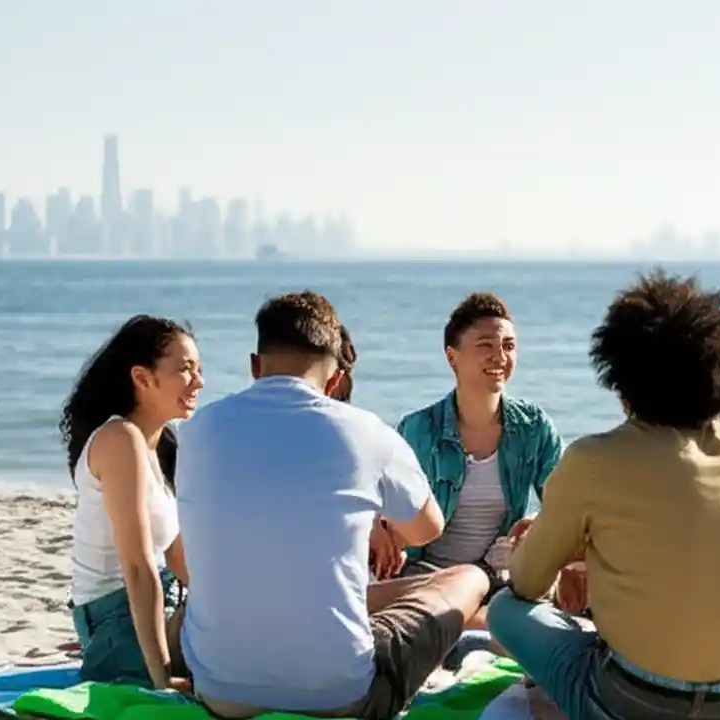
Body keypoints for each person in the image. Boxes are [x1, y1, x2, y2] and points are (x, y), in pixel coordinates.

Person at [176, 291, 493, 720]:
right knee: (468, 577)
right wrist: (381, 520)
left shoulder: (196, 432)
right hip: (340, 697)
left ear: (255, 366)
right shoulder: (364, 431)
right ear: (333, 382)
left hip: (221, 694)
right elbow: (427, 529)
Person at [488, 269, 720, 720]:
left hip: (637, 702)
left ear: (622, 377)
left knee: (505, 610)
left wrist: (556, 543)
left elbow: (527, 583)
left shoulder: (594, 459)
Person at [58, 314, 203, 689]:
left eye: (199, 370)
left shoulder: (162, 446)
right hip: (117, 621)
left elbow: (178, 558)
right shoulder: (118, 439)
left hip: (156, 608)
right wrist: (162, 678)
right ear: (142, 378)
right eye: (185, 370)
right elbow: (138, 567)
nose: (198, 382)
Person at [387, 292, 563, 589]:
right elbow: (387, 513)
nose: (500, 357)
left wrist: (537, 522)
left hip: (497, 578)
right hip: (423, 578)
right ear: (452, 356)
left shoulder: (533, 427)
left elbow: (567, 503)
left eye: (508, 346)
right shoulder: (418, 429)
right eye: (486, 345)